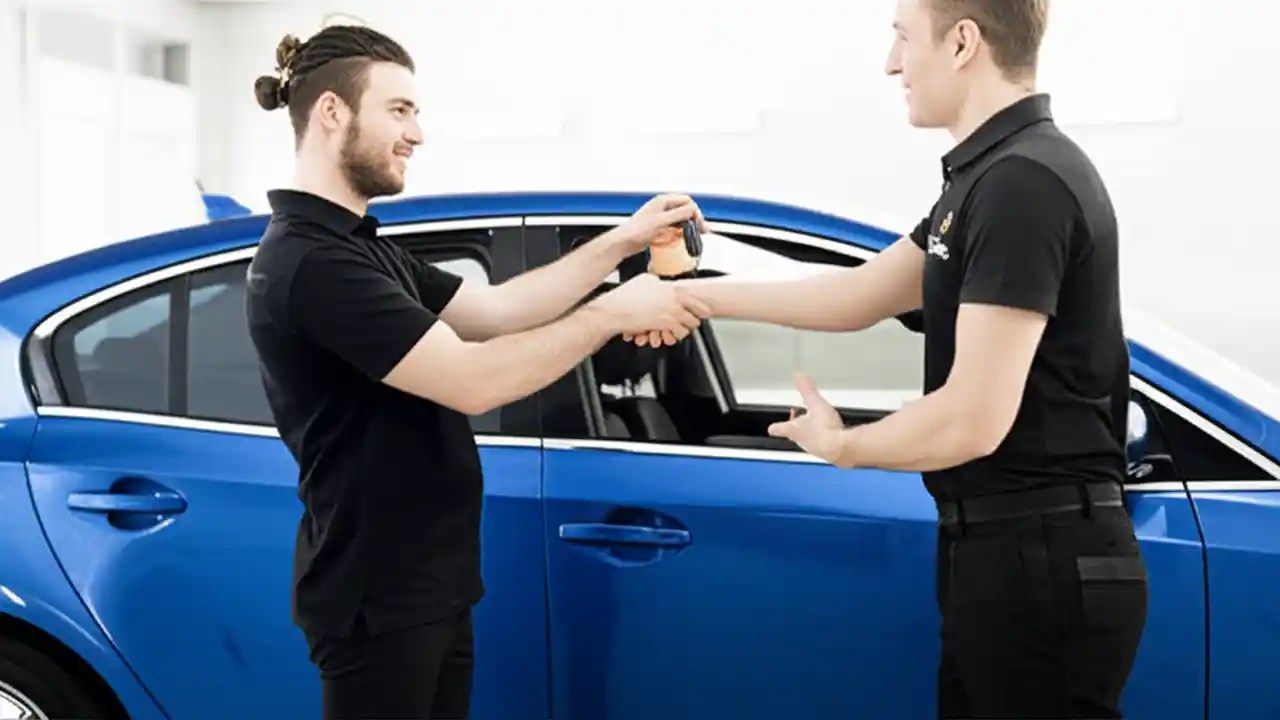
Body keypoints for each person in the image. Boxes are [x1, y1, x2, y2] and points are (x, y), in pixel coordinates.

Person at [639, 0, 1149, 717]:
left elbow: (972, 418)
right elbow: (857, 294)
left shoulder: (1023, 184)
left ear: (963, 42)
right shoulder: (986, 179)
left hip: (1038, 556)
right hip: (1003, 552)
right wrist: (696, 299)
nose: (891, 63)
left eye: (903, 38)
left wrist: (845, 445)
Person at [243, 25, 709, 720]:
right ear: (332, 112)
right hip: (378, 594)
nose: (418, 133)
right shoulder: (314, 266)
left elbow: (496, 310)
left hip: (425, 585)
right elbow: (473, 379)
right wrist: (612, 314)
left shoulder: (361, 249)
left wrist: (625, 239)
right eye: (399, 110)